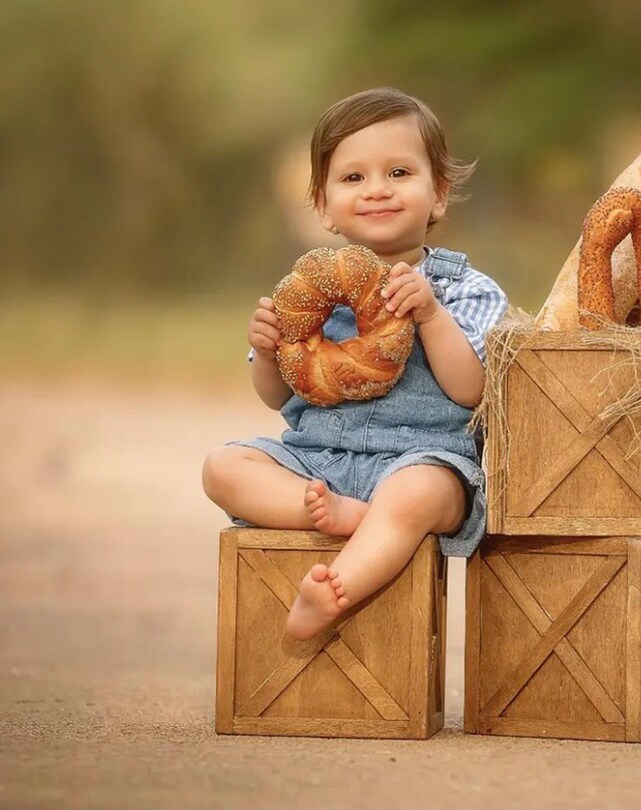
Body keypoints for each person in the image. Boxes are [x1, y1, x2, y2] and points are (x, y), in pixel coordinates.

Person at [202, 87, 508, 641]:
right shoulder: (306, 291)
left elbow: (472, 390)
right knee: (221, 468)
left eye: (398, 172)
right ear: (322, 206)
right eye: (353, 178)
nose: (377, 191)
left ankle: (335, 588)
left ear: (438, 194)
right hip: (317, 461)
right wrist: (267, 350)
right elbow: (276, 396)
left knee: (418, 496)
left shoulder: (467, 289)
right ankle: (337, 515)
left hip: (424, 460)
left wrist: (432, 317)